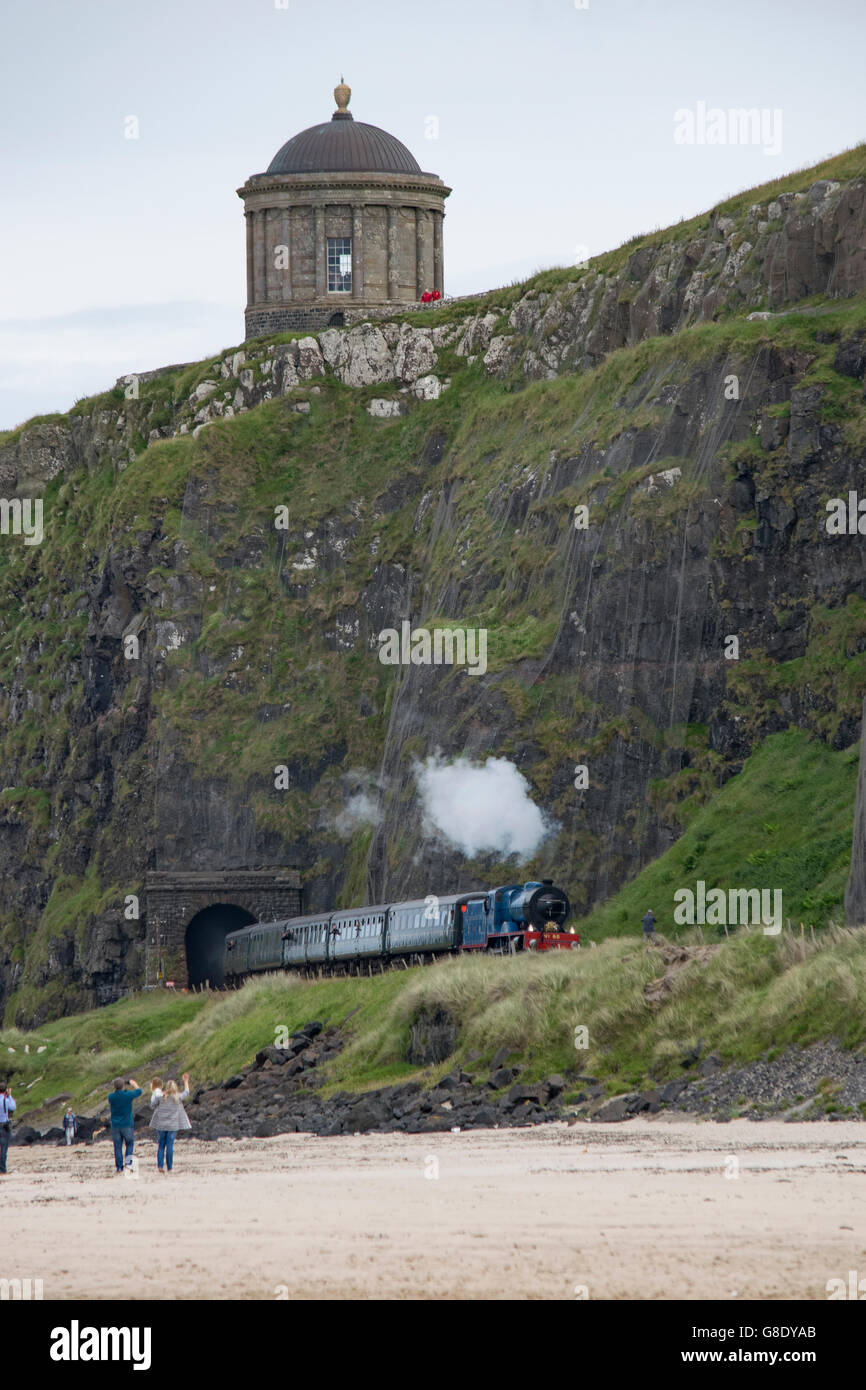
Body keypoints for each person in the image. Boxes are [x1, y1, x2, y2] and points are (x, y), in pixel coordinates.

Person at [150, 1073, 192, 1173]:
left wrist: (158, 1093)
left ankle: (160, 1166)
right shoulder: (178, 1097)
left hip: (161, 1125)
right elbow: (186, 1092)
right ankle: (170, 1167)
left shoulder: (161, 1097)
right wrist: (186, 1081)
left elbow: (152, 1105)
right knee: (170, 1146)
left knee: (161, 1146)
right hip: (173, 1125)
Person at [108, 1076, 142, 1174]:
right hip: (126, 1123)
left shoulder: (111, 1096)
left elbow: (115, 1094)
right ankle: (128, 1163)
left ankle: (119, 1167)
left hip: (115, 1124)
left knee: (117, 1146)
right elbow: (139, 1091)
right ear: (123, 1085)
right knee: (129, 1143)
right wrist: (132, 1082)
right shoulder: (128, 1095)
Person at [0, 1083, 16, 1174]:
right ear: (5, 1090)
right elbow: (13, 1107)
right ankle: (2, 1169)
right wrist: (9, 1096)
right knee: (4, 1148)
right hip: (4, 1125)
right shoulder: (5, 1100)